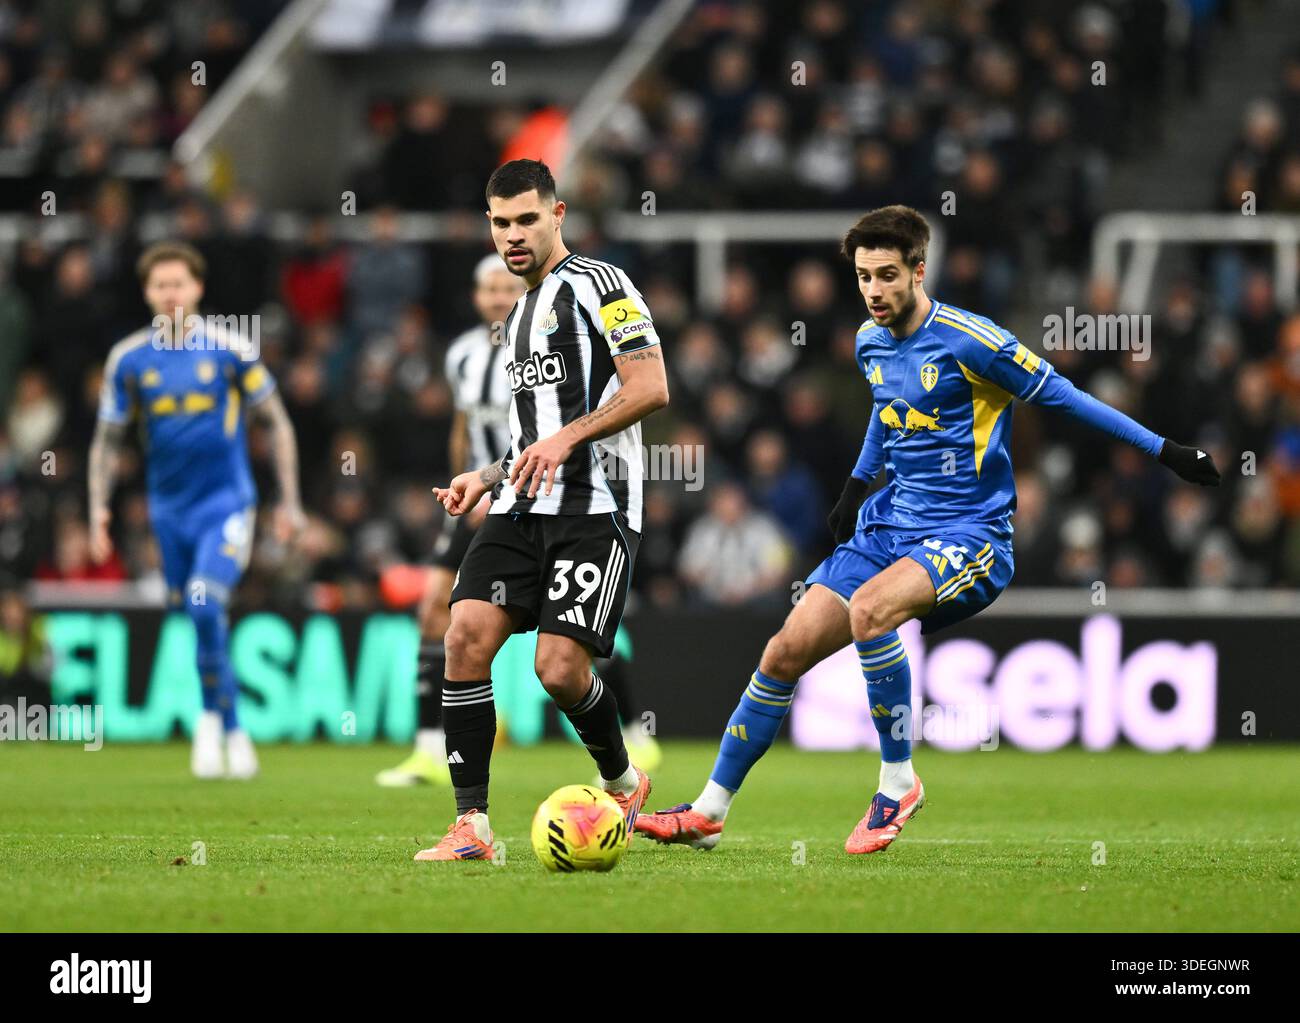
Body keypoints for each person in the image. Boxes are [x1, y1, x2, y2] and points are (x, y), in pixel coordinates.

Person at [635, 205, 1220, 855]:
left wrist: (1166, 450)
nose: (874, 290)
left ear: (919, 271)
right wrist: (857, 484)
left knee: (870, 611)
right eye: (864, 277)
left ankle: (898, 783)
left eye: (887, 275)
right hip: (889, 524)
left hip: (970, 531)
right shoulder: (869, 340)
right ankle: (710, 811)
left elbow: (1065, 396)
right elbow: (887, 411)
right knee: (783, 651)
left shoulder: (973, 341)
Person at [416, 159, 669, 861]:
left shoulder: (602, 284)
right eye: (501, 223)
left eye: (527, 219)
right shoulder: (519, 315)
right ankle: (472, 825)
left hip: (596, 507)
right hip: (522, 505)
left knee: (558, 669)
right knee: (463, 636)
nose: (513, 235)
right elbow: (535, 437)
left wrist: (569, 437)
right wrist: (485, 476)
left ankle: (623, 781)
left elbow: (651, 385)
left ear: (557, 215)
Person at [89, 241, 304, 779]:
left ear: (198, 288)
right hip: (168, 511)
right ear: (147, 292)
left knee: (204, 604)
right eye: (160, 284)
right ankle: (224, 720)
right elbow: (107, 441)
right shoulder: (129, 359)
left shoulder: (231, 349)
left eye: (179, 283)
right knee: (188, 612)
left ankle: (219, 725)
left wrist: (290, 500)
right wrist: (97, 509)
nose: (171, 293)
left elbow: (276, 422)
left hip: (226, 503)